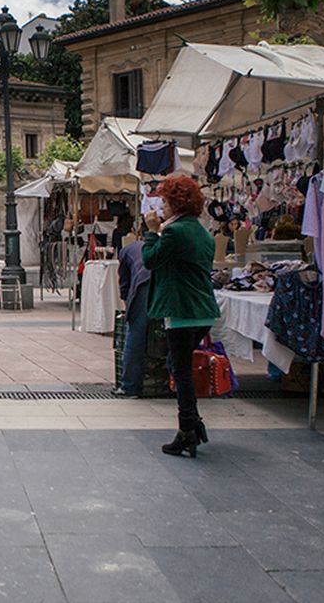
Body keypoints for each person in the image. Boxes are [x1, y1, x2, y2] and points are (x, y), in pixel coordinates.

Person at [142, 174, 220, 458]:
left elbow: (150, 259)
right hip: (202, 309)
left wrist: (151, 231)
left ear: (176, 203)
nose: (161, 206)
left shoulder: (174, 232)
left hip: (181, 309)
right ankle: (193, 423)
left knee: (181, 370)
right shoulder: (201, 231)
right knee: (178, 364)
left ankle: (187, 429)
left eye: (164, 200)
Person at [114, 224, 151, 399]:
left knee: (135, 333)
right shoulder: (158, 244)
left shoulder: (126, 250)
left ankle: (130, 386)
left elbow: (124, 283)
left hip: (144, 283)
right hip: (162, 280)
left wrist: (128, 304)